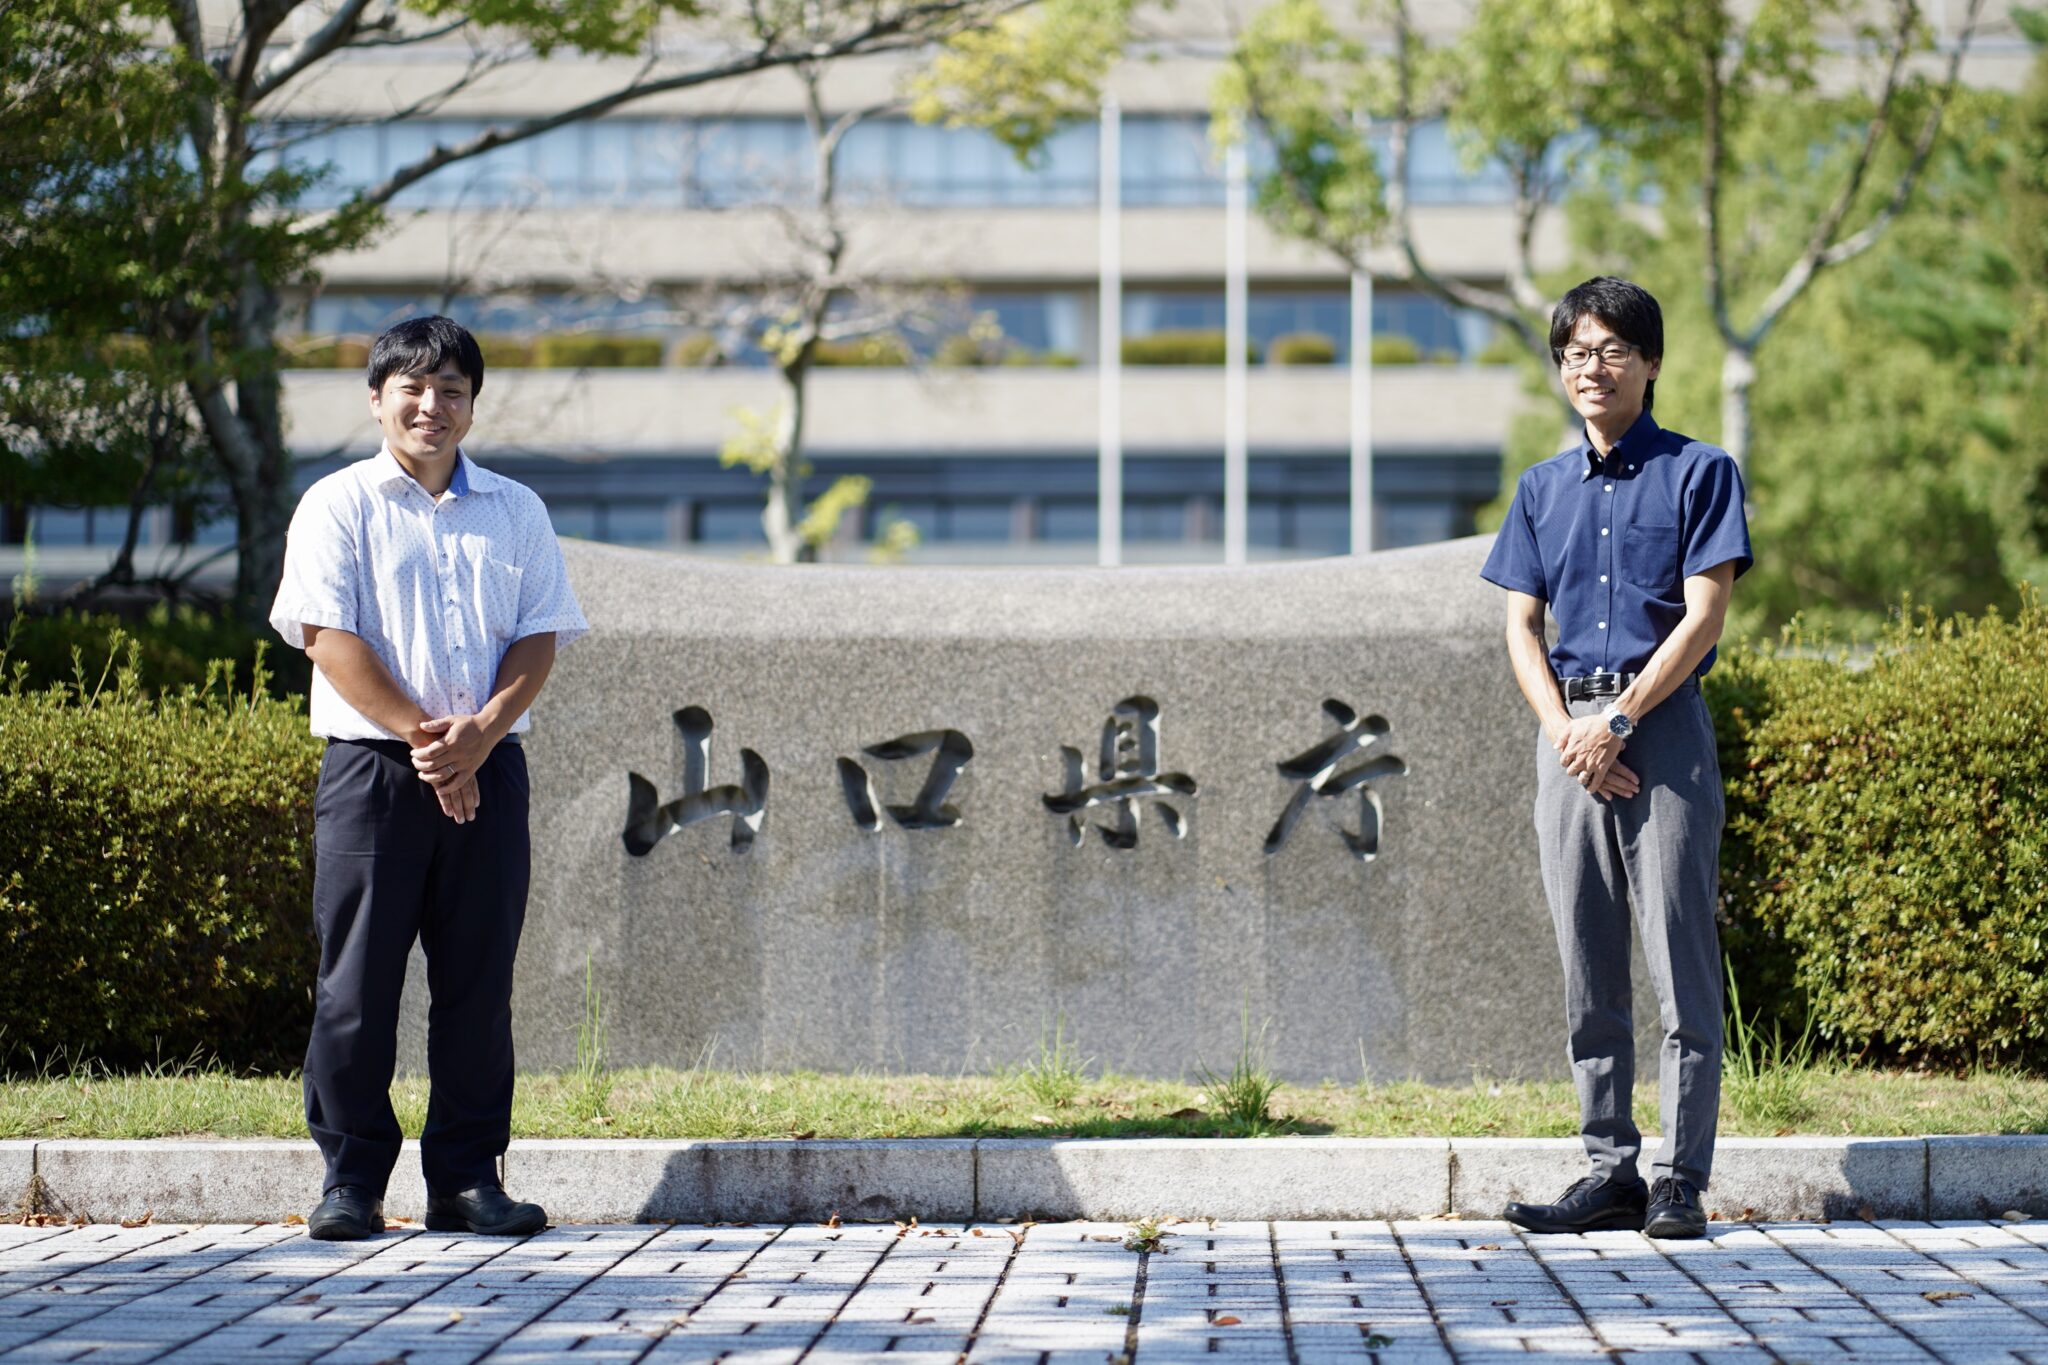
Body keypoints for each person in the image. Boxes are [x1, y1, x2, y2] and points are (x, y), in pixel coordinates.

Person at [270, 315, 588, 1240]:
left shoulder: (517, 510)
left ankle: (465, 1178)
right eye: (411, 386)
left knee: (478, 982)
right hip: (372, 771)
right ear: (377, 399)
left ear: (472, 407)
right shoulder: (338, 504)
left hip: (493, 766)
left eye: (452, 390)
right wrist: (428, 741)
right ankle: (352, 1179)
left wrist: (479, 736)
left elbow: (540, 635)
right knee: (357, 981)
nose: (431, 405)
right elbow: (328, 637)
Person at [1479, 277, 1751, 1239]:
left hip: (1659, 730)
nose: (1591, 368)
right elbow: (1520, 624)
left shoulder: (1699, 471)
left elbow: (1706, 610)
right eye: (1574, 353)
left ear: (1650, 363)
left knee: (1680, 955)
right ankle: (1610, 1170)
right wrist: (1565, 730)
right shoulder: (1540, 489)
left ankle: (1680, 1176)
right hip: (1567, 740)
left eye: (1610, 351)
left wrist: (1622, 721)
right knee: (1586, 962)